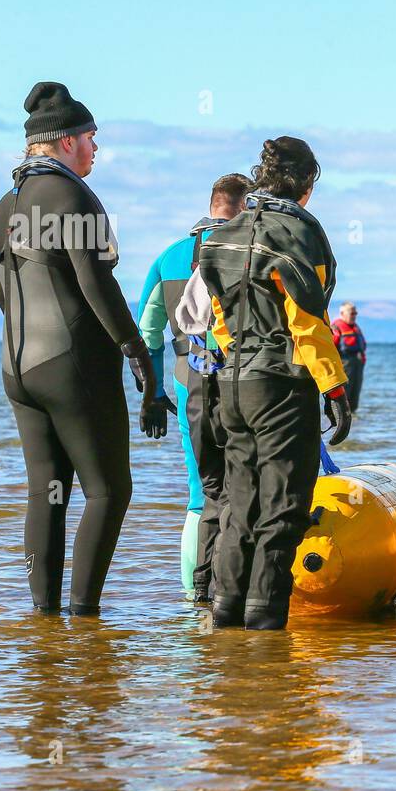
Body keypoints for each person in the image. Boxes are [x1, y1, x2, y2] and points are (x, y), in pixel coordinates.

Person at [0, 81, 161, 615]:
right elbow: (96, 285)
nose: (95, 148)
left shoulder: (4, 205)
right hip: (72, 361)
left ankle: (44, 622)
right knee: (109, 491)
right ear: (65, 142)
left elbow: (3, 294)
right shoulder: (72, 196)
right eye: (91, 137)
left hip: (18, 368)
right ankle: (85, 622)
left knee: (48, 491)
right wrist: (136, 351)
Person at [195, 137, 352, 630]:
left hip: (234, 382)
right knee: (283, 511)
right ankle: (264, 632)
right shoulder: (299, 235)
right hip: (283, 383)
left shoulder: (223, 234)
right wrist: (335, 388)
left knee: (240, 504)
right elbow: (306, 322)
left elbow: (216, 317)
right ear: (307, 183)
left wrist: (236, 359)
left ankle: (225, 621)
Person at [137, 172, 253, 602]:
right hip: (245, 379)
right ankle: (241, 592)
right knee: (247, 485)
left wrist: (151, 393)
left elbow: (146, 332)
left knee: (200, 489)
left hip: (188, 379)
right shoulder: (250, 248)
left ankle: (192, 598)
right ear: (245, 206)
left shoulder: (169, 257)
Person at [330, 302, 366, 411]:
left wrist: (362, 360)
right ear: (342, 313)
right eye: (352, 313)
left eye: (355, 313)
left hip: (357, 365)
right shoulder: (336, 327)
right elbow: (331, 349)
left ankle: (354, 423)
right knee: (343, 396)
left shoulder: (356, 327)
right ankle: (339, 420)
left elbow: (362, 345)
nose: (354, 315)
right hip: (345, 364)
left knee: (354, 397)